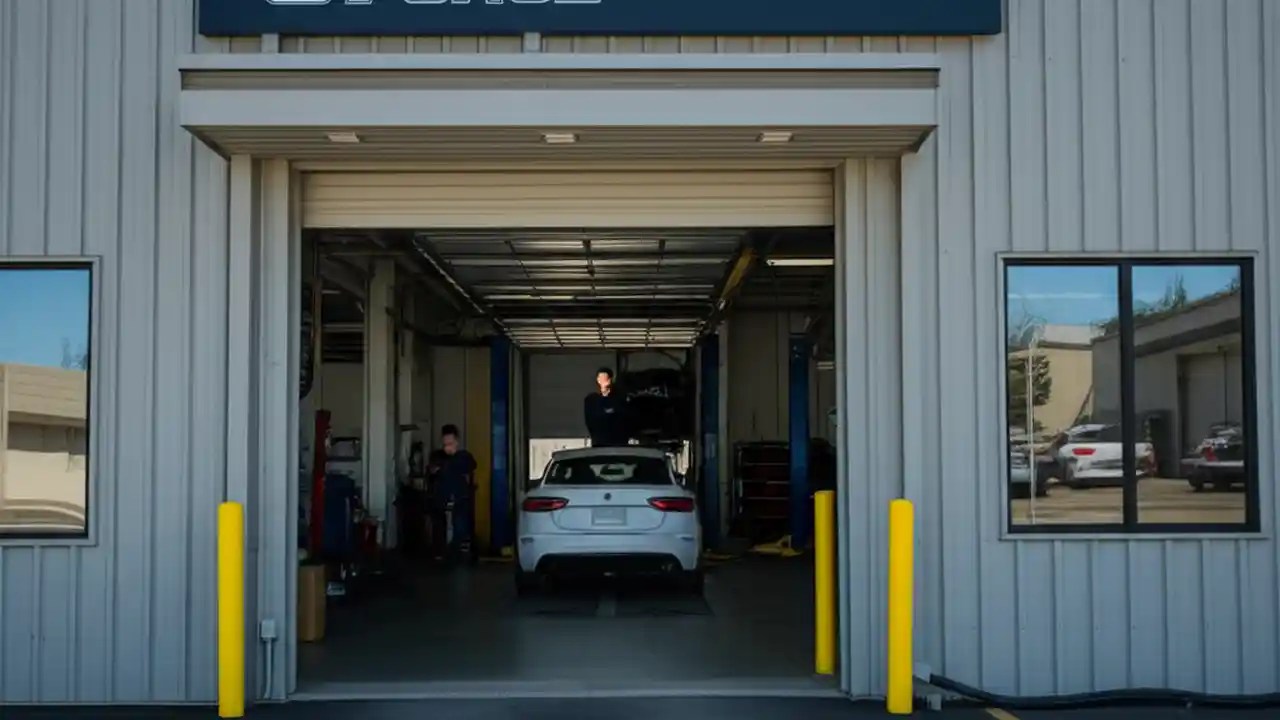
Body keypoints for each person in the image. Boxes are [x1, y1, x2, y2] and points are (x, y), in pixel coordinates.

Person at [428, 424, 478, 564]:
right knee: (440, 527)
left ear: (457, 441)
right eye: (445, 444)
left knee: (460, 527)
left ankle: (456, 552)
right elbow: (432, 472)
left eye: (450, 443)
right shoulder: (438, 457)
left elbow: (470, 466)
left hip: (459, 499)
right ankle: (442, 553)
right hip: (442, 500)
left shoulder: (464, 457)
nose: (447, 447)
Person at [584, 367, 629, 447]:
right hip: (599, 442)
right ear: (597, 380)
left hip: (618, 443)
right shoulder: (592, 400)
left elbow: (623, 418)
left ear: (611, 379)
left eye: (606, 378)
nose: (603, 381)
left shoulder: (620, 399)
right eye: (600, 378)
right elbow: (590, 420)